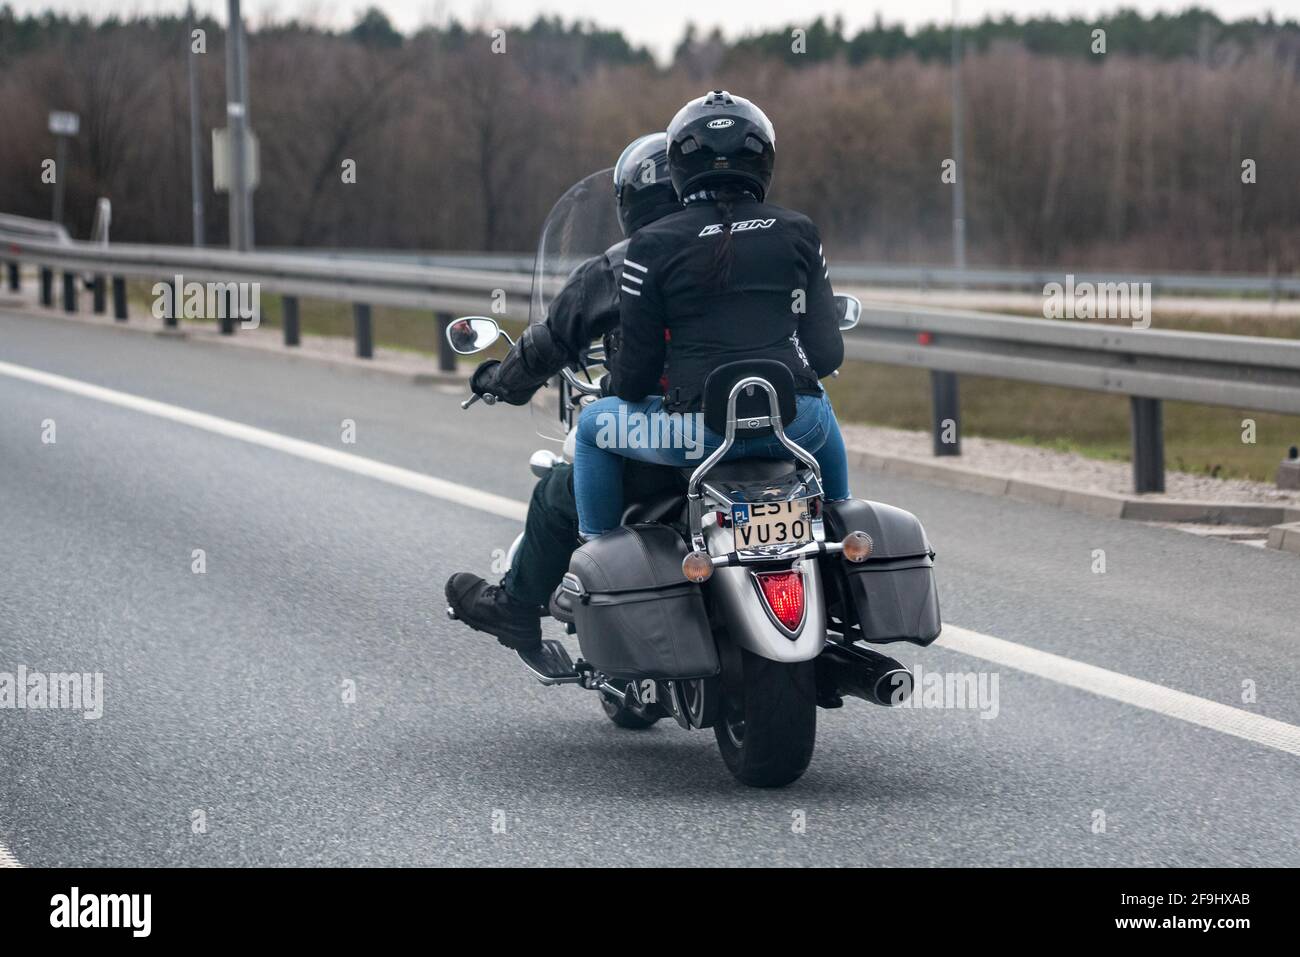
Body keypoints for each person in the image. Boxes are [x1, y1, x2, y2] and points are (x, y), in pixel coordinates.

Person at [573, 91, 851, 538]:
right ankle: (840, 520)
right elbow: (826, 354)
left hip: (699, 435)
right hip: (796, 426)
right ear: (763, 159)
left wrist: (614, 384)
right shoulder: (800, 231)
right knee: (818, 395)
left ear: (679, 166)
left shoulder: (650, 246)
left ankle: (596, 554)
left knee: (590, 427)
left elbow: (636, 379)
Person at [444, 133, 682, 650]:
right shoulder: (741, 246)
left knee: (557, 496)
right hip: (762, 431)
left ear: (631, 200)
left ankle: (516, 606)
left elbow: (551, 339)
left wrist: (499, 382)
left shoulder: (626, 262)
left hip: (664, 441)